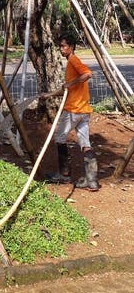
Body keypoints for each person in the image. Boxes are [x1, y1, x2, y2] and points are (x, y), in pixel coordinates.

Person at [47, 32, 99, 191]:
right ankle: (92, 181)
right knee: (85, 144)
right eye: (60, 46)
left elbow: (87, 74)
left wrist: (71, 83)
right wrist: (49, 95)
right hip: (83, 110)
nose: (61, 49)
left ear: (71, 47)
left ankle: (64, 174)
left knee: (60, 138)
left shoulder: (73, 61)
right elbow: (70, 87)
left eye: (63, 46)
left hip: (73, 110)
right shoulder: (71, 63)